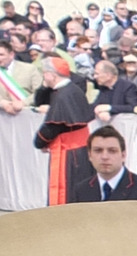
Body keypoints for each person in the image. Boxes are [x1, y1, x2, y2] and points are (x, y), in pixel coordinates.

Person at [32, 58, 94, 206]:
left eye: (45, 73)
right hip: (81, 150)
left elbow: (53, 126)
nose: (43, 76)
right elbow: (40, 100)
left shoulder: (63, 96)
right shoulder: (72, 89)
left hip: (68, 153)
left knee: (67, 192)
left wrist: (39, 142)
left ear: (52, 75)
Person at [67, 125, 137, 203]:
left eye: (112, 151)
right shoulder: (80, 190)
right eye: (98, 150)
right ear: (90, 155)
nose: (105, 156)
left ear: (123, 155)